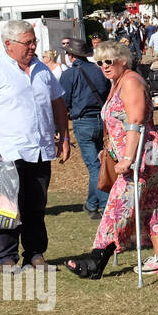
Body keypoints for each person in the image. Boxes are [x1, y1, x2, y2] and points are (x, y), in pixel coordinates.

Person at [65, 39, 158, 279]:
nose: (104, 66)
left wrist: (128, 157)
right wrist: (110, 149)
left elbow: (135, 122)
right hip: (136, 154)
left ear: (123, 60)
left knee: (118, 205)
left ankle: (96, 259)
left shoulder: (130, 81)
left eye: (109, 61)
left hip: (140, 155)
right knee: (154, 203)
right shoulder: (118, 82)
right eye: (99, 62)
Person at [0, 20, 71, 271]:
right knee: (7, 208)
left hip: (39, 149)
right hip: (6, 152)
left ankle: (35, 255)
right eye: (28, 42)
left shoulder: (42, 70)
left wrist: (64, 137)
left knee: (37, 207)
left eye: (34, 41)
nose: (33, 47)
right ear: (9, 44)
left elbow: (57, 103)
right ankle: (7, 259)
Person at [59, 39, 112, 221]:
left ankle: (105, 206)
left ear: (71, 55)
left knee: (94, 166)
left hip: (83, 122)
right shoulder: (99, 71)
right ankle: (91, 204)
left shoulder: (68, 75)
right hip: (102, 120)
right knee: (101, 163)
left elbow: (63, 104)